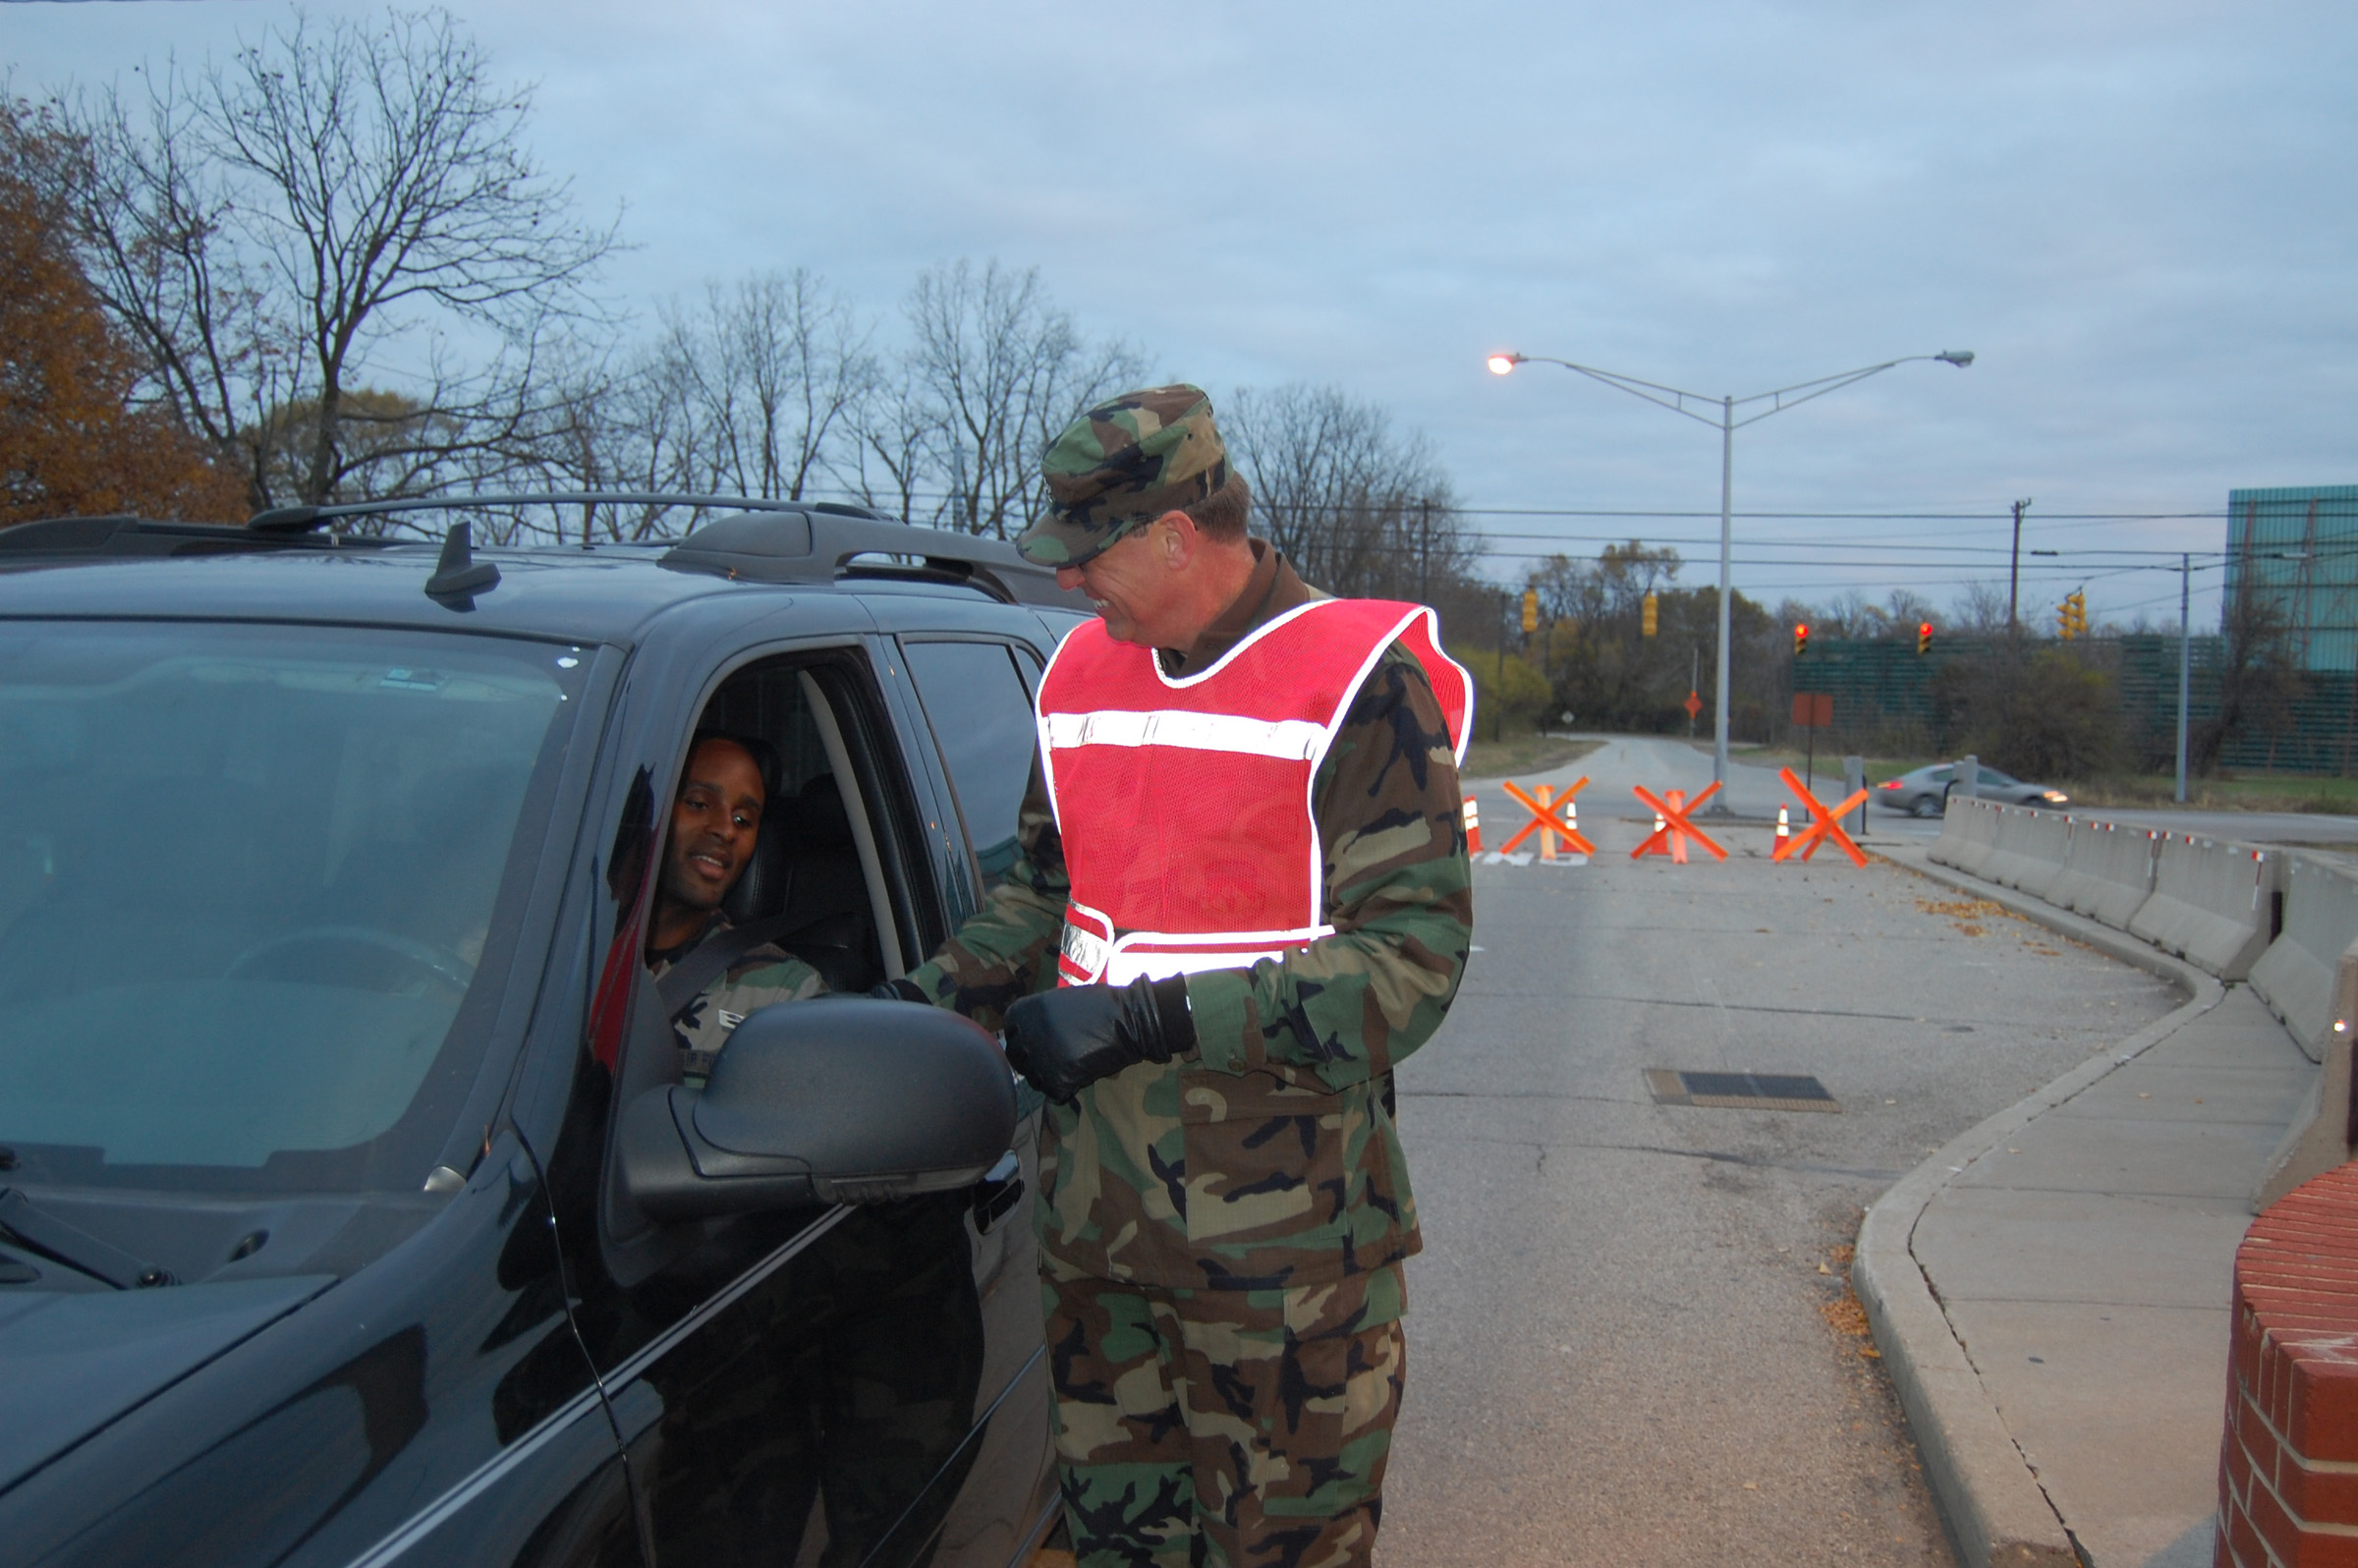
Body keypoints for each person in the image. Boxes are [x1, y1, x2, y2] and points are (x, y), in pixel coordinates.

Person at [883, 385, 1474, 1567]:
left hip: (1282, 1265)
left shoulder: (1356, 683)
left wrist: (1155, 1017)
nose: (1065, 583)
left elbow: (1409, 965)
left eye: (1085, 553)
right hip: (1099, 1237)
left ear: (1173, 535)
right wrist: (908, 1009)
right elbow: (1042, 897)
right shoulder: (1083, 679)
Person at [646, 731, 824, 1084]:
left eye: (744, 820)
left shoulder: (784, 996)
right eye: (698, 803)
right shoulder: (551, 951)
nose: (727, 830)